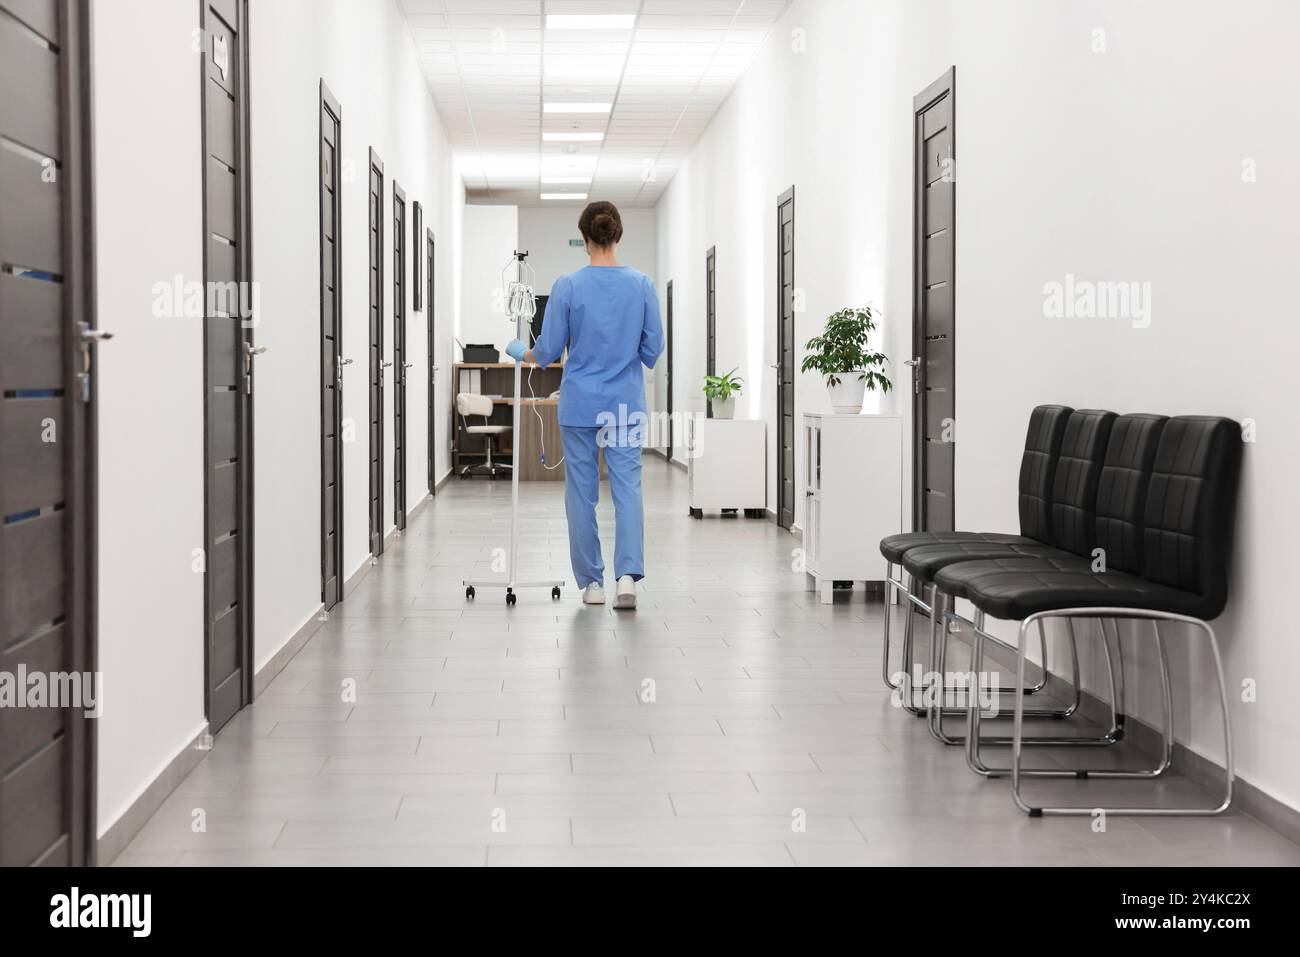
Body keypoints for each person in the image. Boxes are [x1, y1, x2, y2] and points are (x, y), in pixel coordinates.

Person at [505, 201, 663, 609]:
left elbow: (548, 352)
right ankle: (627, 578)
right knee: (627, 489)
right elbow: (652, 350)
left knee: (582, 493)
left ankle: (592, 584)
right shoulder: (643, 285)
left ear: (586, 239)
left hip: (579, 405)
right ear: (618, 235)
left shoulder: (568, 286)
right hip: (624, 404)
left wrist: (522, 351)